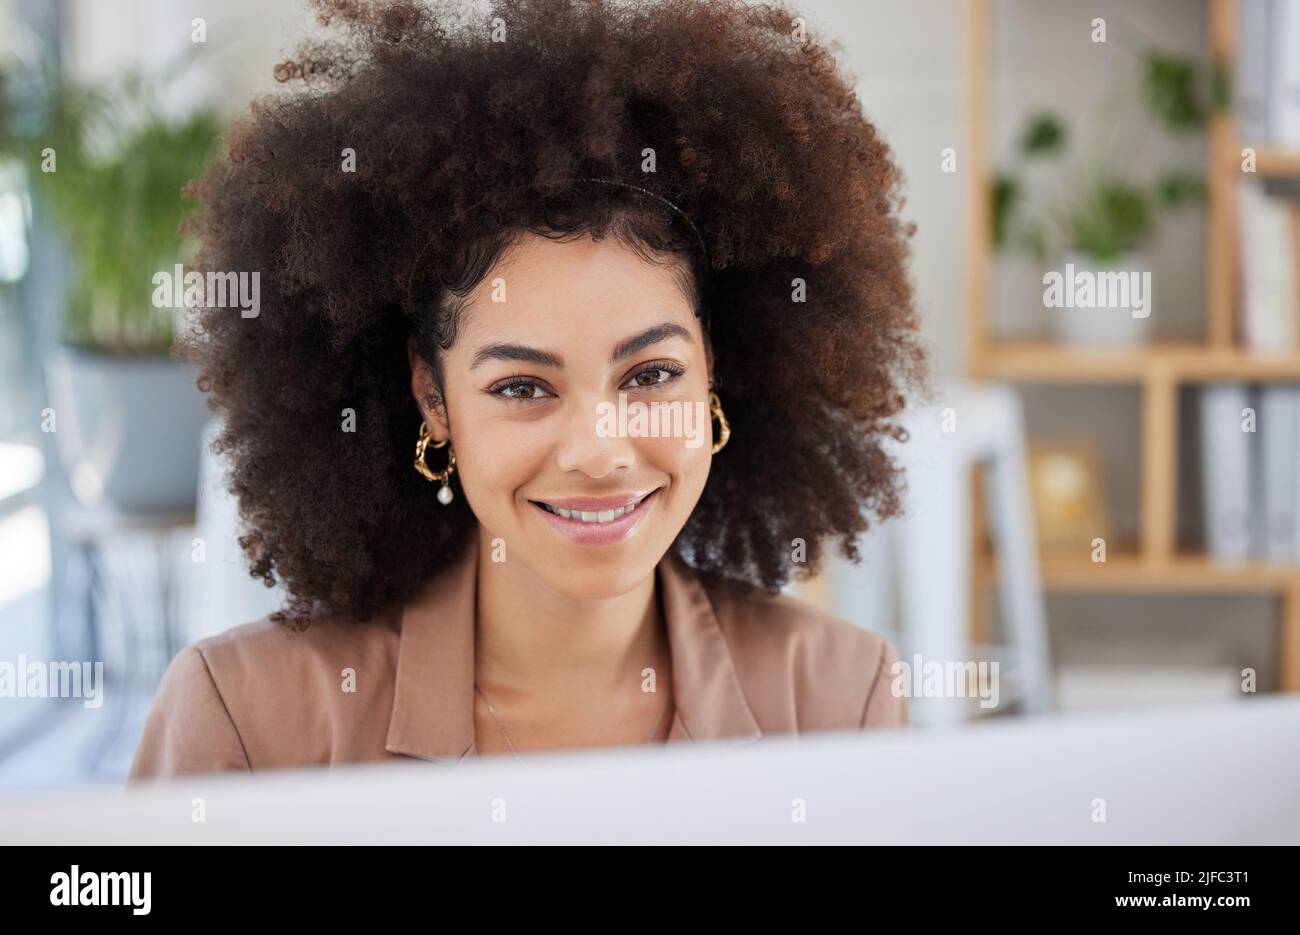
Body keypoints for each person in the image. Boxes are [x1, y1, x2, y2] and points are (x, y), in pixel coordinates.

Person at [128, 0, 924, 780]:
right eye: (521, 386)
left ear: (714, 366)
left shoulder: (841, 702)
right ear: (433, 398)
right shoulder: (247, 723)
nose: (597, 451)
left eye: (650, 375)